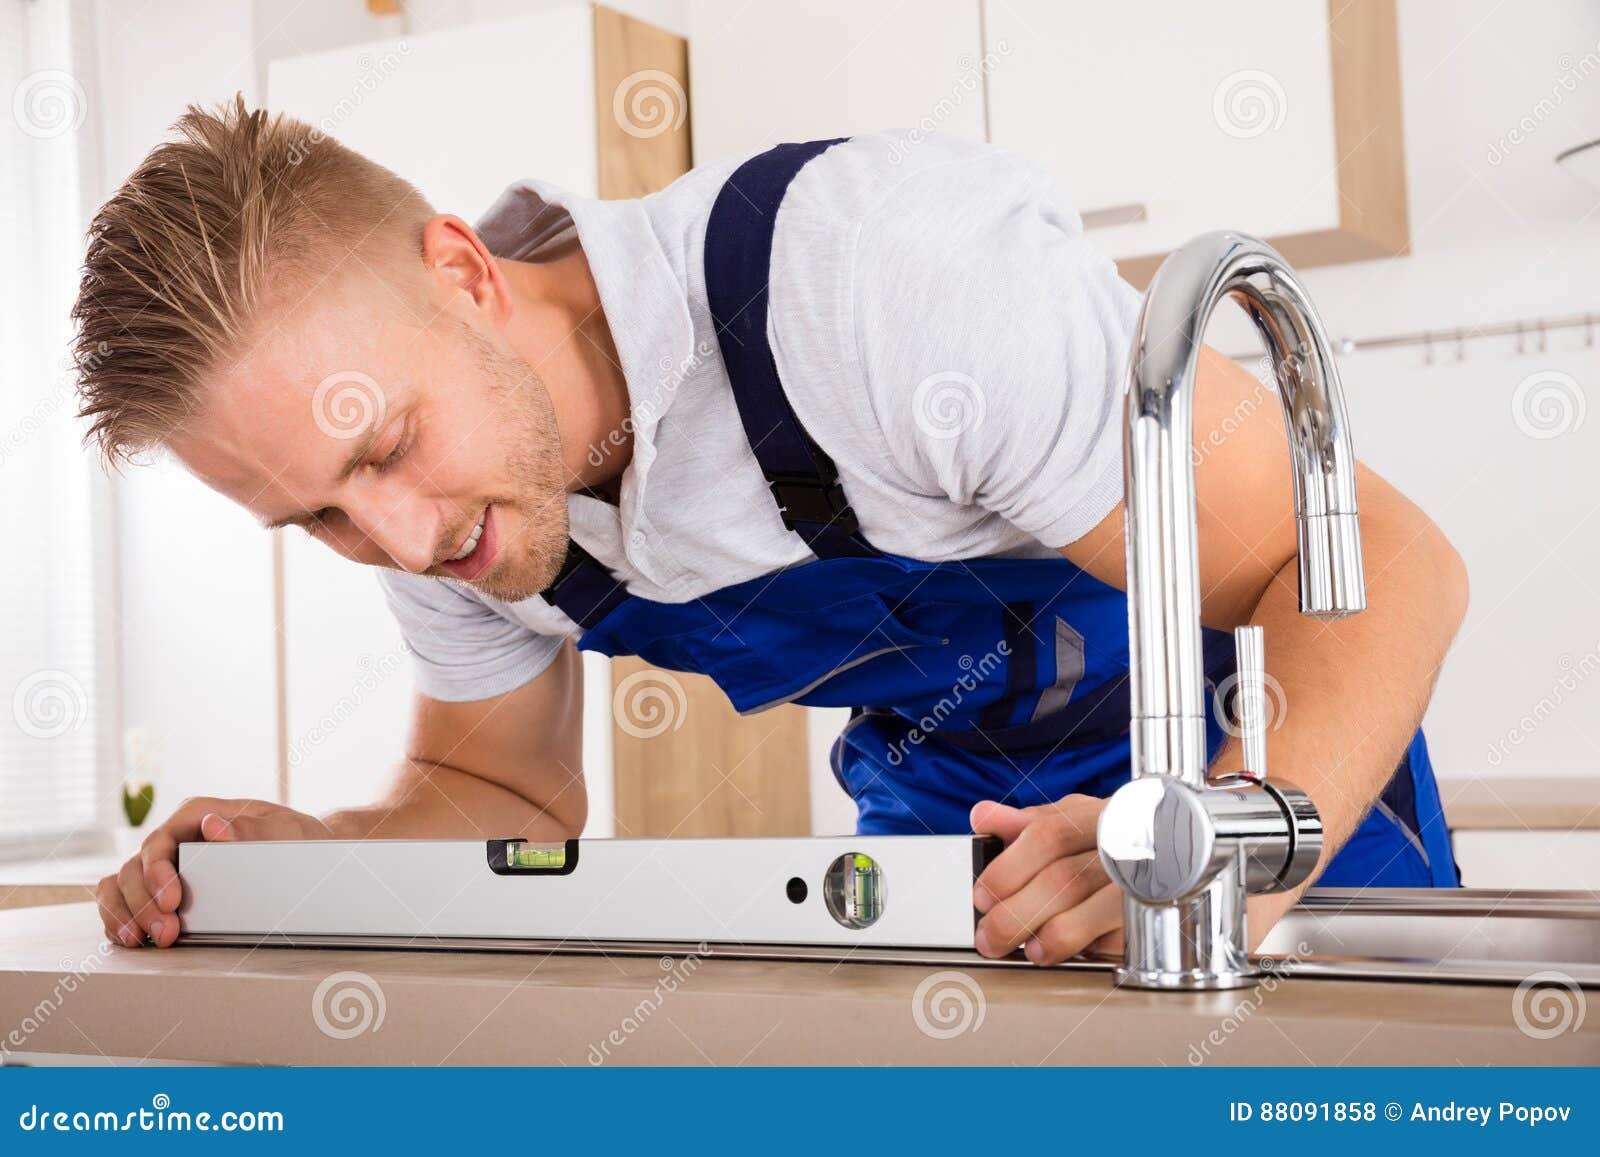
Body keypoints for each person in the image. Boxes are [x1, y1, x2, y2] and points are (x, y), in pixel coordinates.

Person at [75, 98, 1468, 965]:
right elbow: (504, 797)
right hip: (953, 831)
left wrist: (1221, 837)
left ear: (462, 272)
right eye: (313, 515)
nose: (396, 534)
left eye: (382, 449)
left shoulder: (878, 282)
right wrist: (305, 847)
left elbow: (1384, 562)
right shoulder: (451, 515)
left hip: (1258, 779)